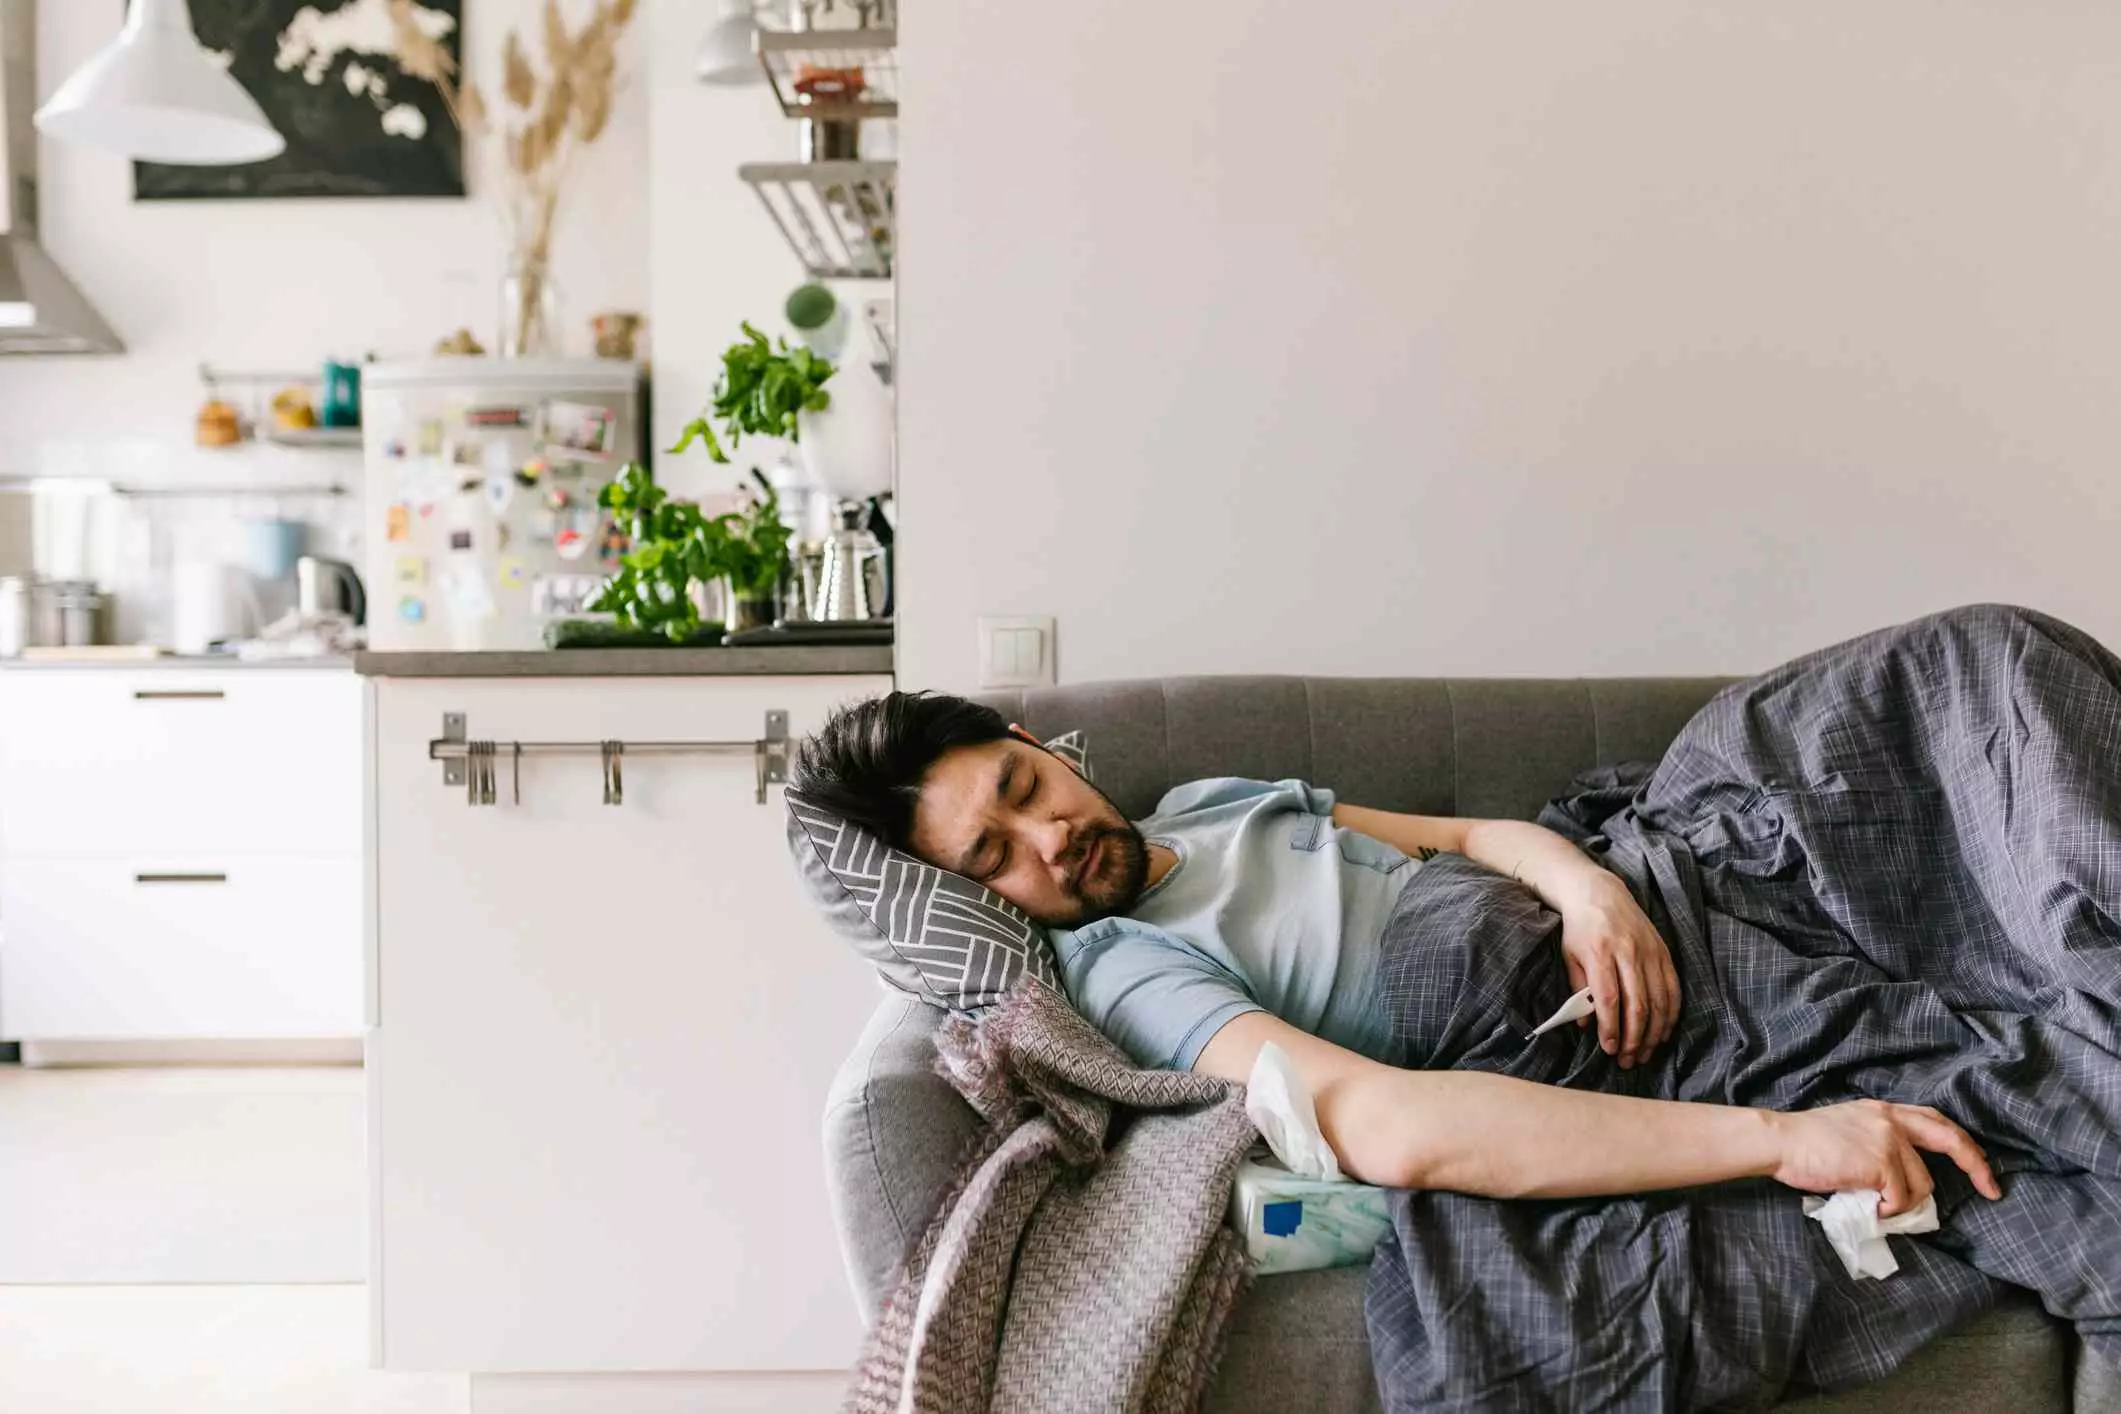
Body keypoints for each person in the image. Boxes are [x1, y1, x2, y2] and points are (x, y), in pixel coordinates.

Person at [792, 690, 2000, 1219]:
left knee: (1956, 682)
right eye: (996, 860)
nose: (1047, 840)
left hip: (1645, 887)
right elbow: (1382, 1121)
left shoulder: (1209, 802)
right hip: (1539, 997)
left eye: (1021, 790)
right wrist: (1781, 1137)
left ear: (1033, 743)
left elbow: (1476, 835)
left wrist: (1587, 887)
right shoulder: (1121, 971)